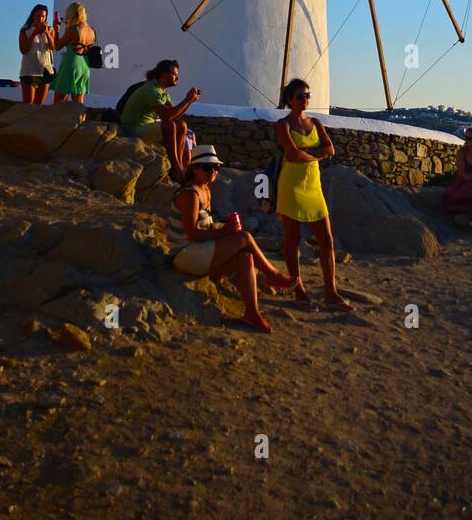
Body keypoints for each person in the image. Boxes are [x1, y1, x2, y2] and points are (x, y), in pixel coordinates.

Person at [171, 144, 296, 334]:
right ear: (194, 169)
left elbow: (208, 228)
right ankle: (273, 275)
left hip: (199, 251)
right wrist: (226, 233)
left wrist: (226, 229)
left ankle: (252, 314)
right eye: (207, 167)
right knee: (244, 237)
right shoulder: (190, 194)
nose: (213, 171)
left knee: (246, 258)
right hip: (185, 254)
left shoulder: (205, 190)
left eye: (216, 167)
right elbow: (192, 234)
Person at [275, 78, 351, 312]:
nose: (306, 99)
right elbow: (292, 155)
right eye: (301, 96)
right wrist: (316, 153)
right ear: (289, 99)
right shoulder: (283, 124)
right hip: (292, 186)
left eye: (308, 95)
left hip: (313, 186)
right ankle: (299, 290)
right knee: (292, 240)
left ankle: (331, 292)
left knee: (326, 239)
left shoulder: (316, 122)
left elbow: (331, 150)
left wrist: (307, 152)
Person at [120, 59, 199, 181]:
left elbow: (176, 116)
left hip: (146, 127)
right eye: (175, 75)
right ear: (163, 74)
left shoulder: (162, 90)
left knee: (181, 125)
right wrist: (187, 100)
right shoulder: (151, 89)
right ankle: (176, 167)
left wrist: (189, 101)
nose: (177, 78)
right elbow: (167, 117)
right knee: (169, 125)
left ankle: (179, 165)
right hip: (134, 129)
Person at [52, 2, 95, 104]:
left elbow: (57, 46)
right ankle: (79, 120)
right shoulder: (91, 30)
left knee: (58, 104)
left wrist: (56, 30)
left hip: (71, 64)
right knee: (78, 105)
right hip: (84, 66)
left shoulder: (73, 29)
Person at [18, 4, 56, 105]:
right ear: (33, 16)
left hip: (45, 70)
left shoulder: (50, 30)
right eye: (38, 15)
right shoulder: (25, 30)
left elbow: (53, 47)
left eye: (43, 16)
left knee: (38, 105)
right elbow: (23, 50)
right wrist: (34, 33)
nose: (40, 18)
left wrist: (47, 33)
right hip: (29, 70)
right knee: (28, 105)